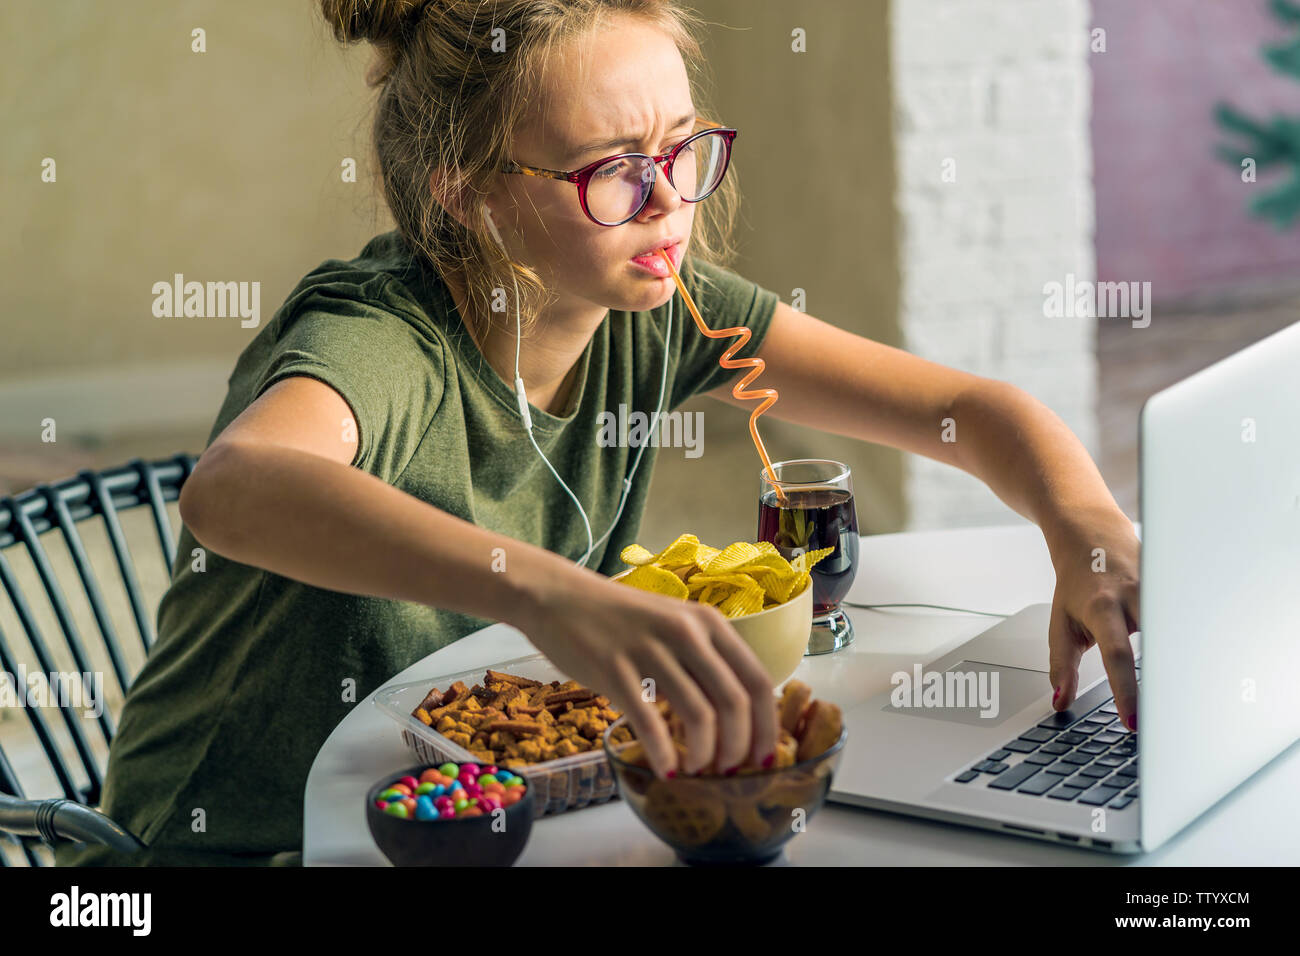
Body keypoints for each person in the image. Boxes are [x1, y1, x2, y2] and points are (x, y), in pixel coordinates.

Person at [58, 0, 1139, 866]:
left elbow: (971, 410)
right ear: (469, 192)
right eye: (613, 171)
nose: (668, 200)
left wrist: (1084, 524)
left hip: (468, 803)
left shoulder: (663, 302)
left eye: (680, 148)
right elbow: (235, 485)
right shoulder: (380, 336)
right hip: (250, 834)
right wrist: (549, 590)